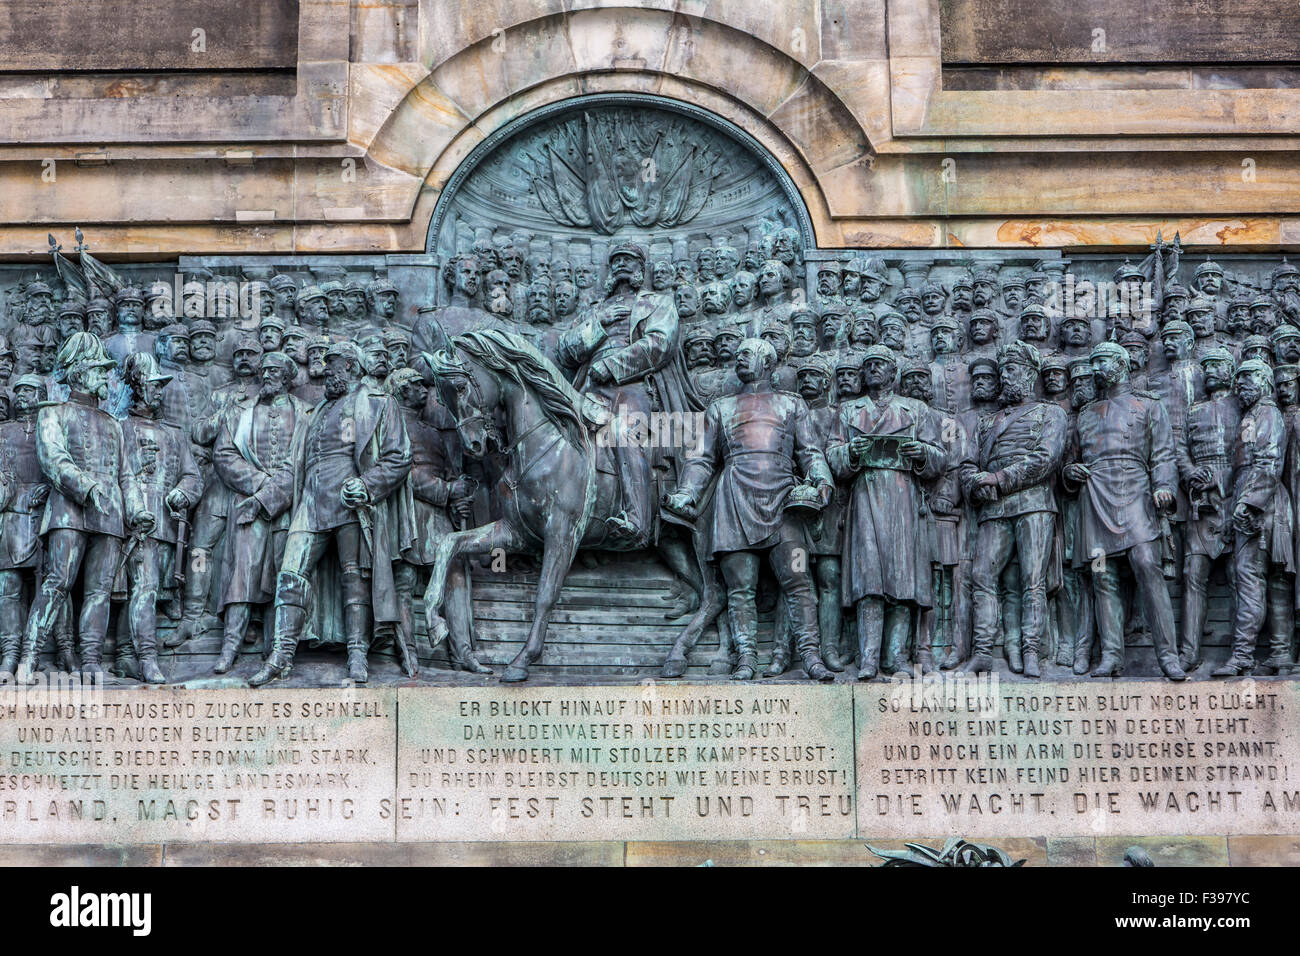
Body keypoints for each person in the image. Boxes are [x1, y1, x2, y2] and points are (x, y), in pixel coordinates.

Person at [665, 338, 835, 682]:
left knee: (799, 578)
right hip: (734, 503)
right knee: (740, 587)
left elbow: (811, 452)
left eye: (747, 354)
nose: (739, 359)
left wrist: (820, 481)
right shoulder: (720, 408)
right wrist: (686, 493)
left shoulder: (791, 405)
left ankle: (811, 655)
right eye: (738, 354)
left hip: (785, 503)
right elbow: (701, 458)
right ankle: (746, 658)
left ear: (768, 363)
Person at [250, 341, 412, 686]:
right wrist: (267, 497)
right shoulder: (317, 410)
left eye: (333, 366)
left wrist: (367, 484)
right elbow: (295, 465)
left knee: (355, 578)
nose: (326, 372)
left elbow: (399, 456)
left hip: (351, 501)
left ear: (351, 367)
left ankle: (357, 654)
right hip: (310, 501)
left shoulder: (379, 403)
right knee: (290, 573)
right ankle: (281, 655)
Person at [15, 334, 148, 683]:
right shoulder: (53, 414)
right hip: (68, 512)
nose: (107, 378)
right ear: (79, 371)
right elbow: (53, 458)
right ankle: (28, 658)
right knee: (57, 583)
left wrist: (136, 510)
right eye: (100, 371)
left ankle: (91, 660)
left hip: (111, 515)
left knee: (99, 590)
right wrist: (86, 487)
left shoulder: (114, 426)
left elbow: (127, 475)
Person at [1064, 342, 1186, 681]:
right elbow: (1071, 460)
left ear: (1121, 363)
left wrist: (1164, 486)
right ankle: (1111, 656)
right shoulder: (1086, 413)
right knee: (1103, 574)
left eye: (1103, 359)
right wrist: (1070, 473)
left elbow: (1163, 455)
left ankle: (1168, 657)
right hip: (1096, 501)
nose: (1097, 366)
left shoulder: (1148, 406)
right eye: (1093, 361)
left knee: (1147, 564)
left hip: (1135, 496)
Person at [827, 344, 946, 679]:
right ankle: (867, 658)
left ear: (894, 373)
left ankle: (895, 656)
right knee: (869, 579)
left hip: (903, 497)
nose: (874, 370)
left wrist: (920, 451)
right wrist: (851, 451)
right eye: (869, 366)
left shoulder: (916, 410)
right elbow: (832, 455)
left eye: (880, 365)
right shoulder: (849, 411)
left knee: (902, 579)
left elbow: (939, 459)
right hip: (865, 496)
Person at [958, 342, 1066, 677]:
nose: (1006, 376)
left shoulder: (1051, 413)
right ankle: (983, 651)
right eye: (1003, 370)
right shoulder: (988, 421)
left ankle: (1032, 650)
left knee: (1031, 579)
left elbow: (1046, 459)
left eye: (1013, 369)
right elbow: (967, 464)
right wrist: (975, 482)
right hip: (993, 508)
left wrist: (1000, 478)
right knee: (981, 575)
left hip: (1034, 504)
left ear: (1031, 374)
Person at [209, 351, 310, 673]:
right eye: (263, 370)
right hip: (246, 502)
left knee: (283, 577)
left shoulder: (306, 414)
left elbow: (304, 462)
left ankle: (275, 650)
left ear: (288, 377)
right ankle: (230, 647)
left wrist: (273, 493)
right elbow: (224, 455)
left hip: (288, 506)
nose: (266, 376)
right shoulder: (240, 412)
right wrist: (260, 482)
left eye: (274, 371)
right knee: (242, 576)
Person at [118, 353, 202, 683]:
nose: (159, 392)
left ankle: (125, 653)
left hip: (167, 525)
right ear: (139, 388)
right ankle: (147, 658)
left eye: (161, 387)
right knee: (144, 588)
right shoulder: (121, 429)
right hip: (134, 525)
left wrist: (184, 491)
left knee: (146, 591)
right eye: (154, 386)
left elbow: (192, 476)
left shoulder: (174, 434)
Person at [1214, 359, 1295, 676]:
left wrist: (1248, 504)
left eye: (1247, 380)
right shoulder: (1255, 414)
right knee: (1272, 583)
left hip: (1261, 506)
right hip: (1261, 501)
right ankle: (1279, 652)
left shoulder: (1267, 413)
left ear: (1264, 381)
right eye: (1238, 381)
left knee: (1250, 580)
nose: (1240, 386)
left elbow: (1269, 461)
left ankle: (1244, 654)